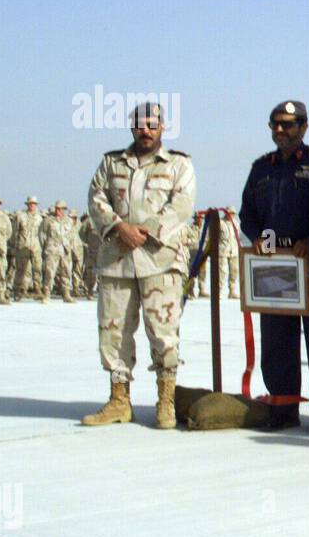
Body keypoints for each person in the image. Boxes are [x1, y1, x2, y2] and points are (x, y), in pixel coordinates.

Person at [82, 103, 196, 429]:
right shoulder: (111, 162)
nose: (146, 130)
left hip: (160, 260)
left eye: (152, 124)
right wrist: (120, 228)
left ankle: (166, 401)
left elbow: (182, 205)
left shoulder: (178, 164)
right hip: (117, 260)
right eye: (140, 125)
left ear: (163, 127)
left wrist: (145, 234)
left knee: (164, 334)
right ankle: (119, 401)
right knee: (113, 333)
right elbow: (96, 197)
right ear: (132, 127)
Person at [239, 100, 309, 434]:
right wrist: (260, 238)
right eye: (275, 124)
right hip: (274, 264)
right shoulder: (261, 168)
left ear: (304, 127)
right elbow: (248, 212)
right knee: (277, 342)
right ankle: (283, 409)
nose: (281, 130)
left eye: (288, 124)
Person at [39, 200, 76, 303]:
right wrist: (47, 247)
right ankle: (46, 294)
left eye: (61, 209)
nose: (59, 211)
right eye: (57, 208)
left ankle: (66, 294)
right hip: (52, 250)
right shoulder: (48, 220)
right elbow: (42, 235)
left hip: (65, 250)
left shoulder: (68, 221)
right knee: (49, 272)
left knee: (66, 272)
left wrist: (70, 247)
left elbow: (72, 235)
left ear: (64, 210)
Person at [12, 197, 45, 301]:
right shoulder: (21, 217)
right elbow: (15, 232)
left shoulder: (40, 218)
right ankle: (18, 290)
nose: (32, 206)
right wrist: (15, 245)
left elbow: (42, 233)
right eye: (30, 204)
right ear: (27, 205)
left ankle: (37, 289)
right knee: (21, 269)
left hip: (36, 247)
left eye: (34, 204)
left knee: (37, 269)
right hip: (23, 246)